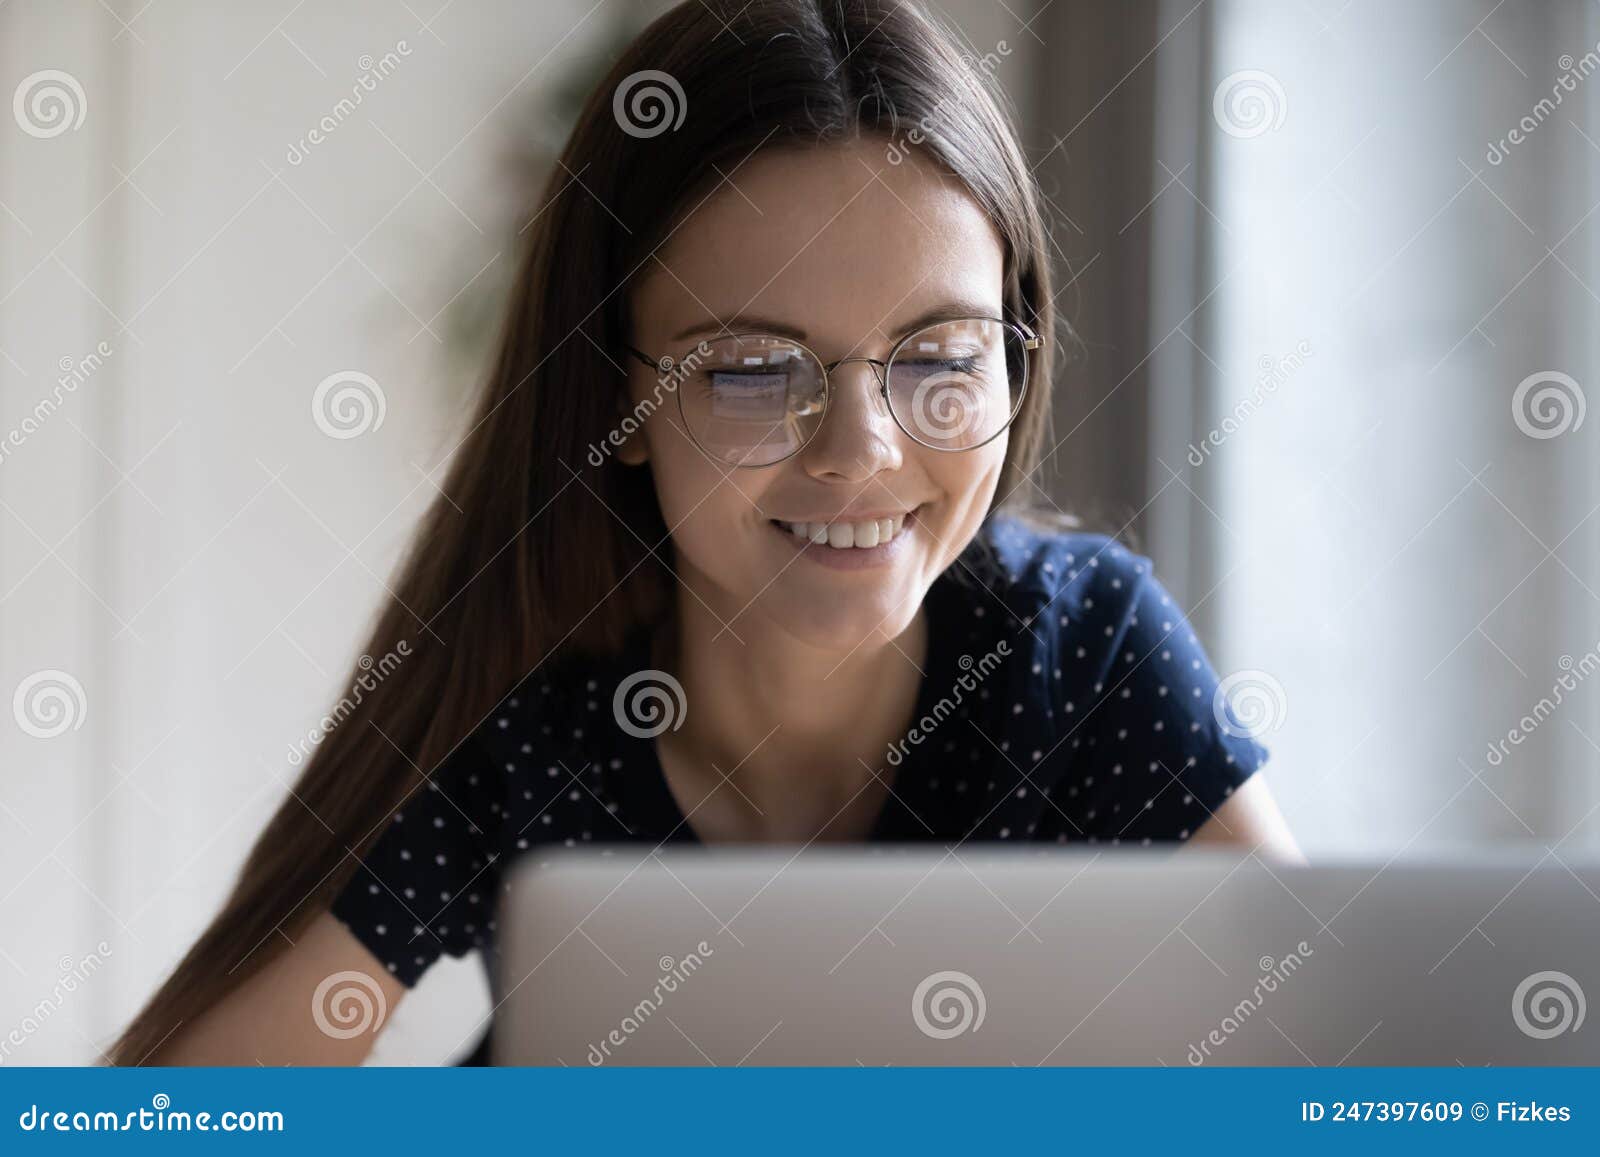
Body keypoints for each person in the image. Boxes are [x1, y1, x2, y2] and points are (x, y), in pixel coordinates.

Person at [111, 0, 1300, 1067]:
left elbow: (1352, 1073)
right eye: (748, 369)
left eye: (939, 358)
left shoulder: (1081, 650)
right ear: (613, 397)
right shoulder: (527, 703)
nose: (862, 449)